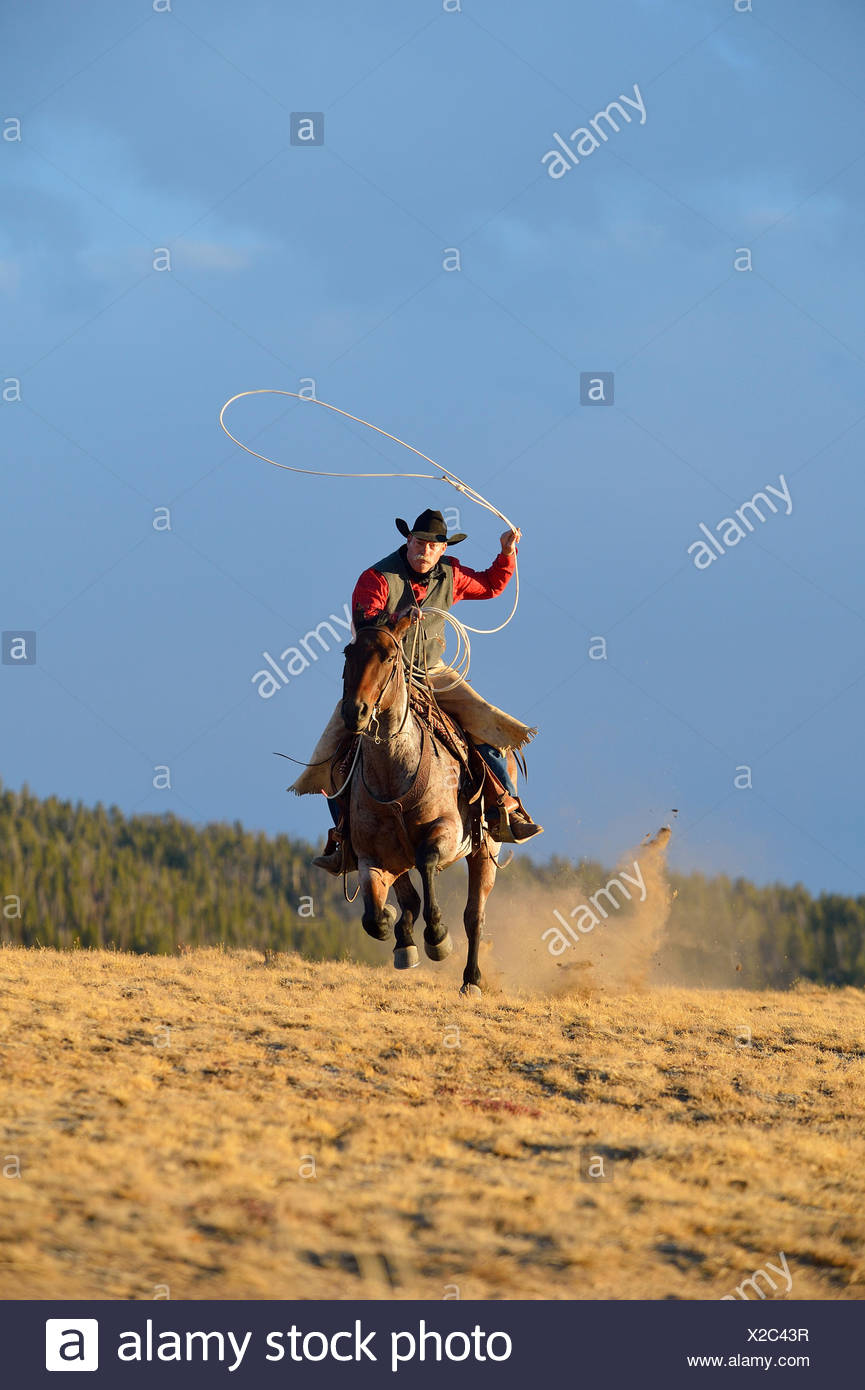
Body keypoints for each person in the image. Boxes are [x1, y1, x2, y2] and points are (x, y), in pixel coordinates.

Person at [288, 508, 543, 873]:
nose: (425, 550)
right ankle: (344, 836)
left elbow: (490, 585)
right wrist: (401, 619)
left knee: (488, 726)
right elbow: (367, 625)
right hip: (383, 677)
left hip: (432, 672)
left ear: (442, 550)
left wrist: (506, 554)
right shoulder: (377, 578)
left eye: (433, 546)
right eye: (420, 542)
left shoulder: (451, 576)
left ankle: (507, 806)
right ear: (408, 541)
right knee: (331, 751)